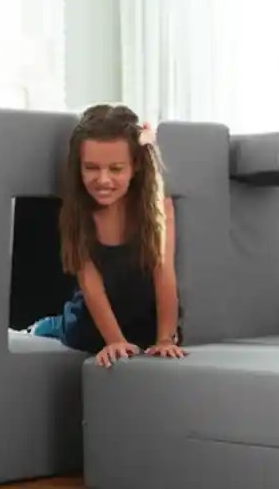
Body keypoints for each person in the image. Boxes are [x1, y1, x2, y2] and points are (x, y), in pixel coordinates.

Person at [28, 104, 187, 368]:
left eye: (115, 169)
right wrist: (114, 341)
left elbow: (164, 274)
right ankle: (38, 327)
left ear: (135, 166)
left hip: (141, 319)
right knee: (58, 326)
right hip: (89, 324)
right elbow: (90, 285)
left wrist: (165, 339)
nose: (103, 180)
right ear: (78, 166)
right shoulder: (77, 213)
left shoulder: (160, 208)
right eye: (91, 168)